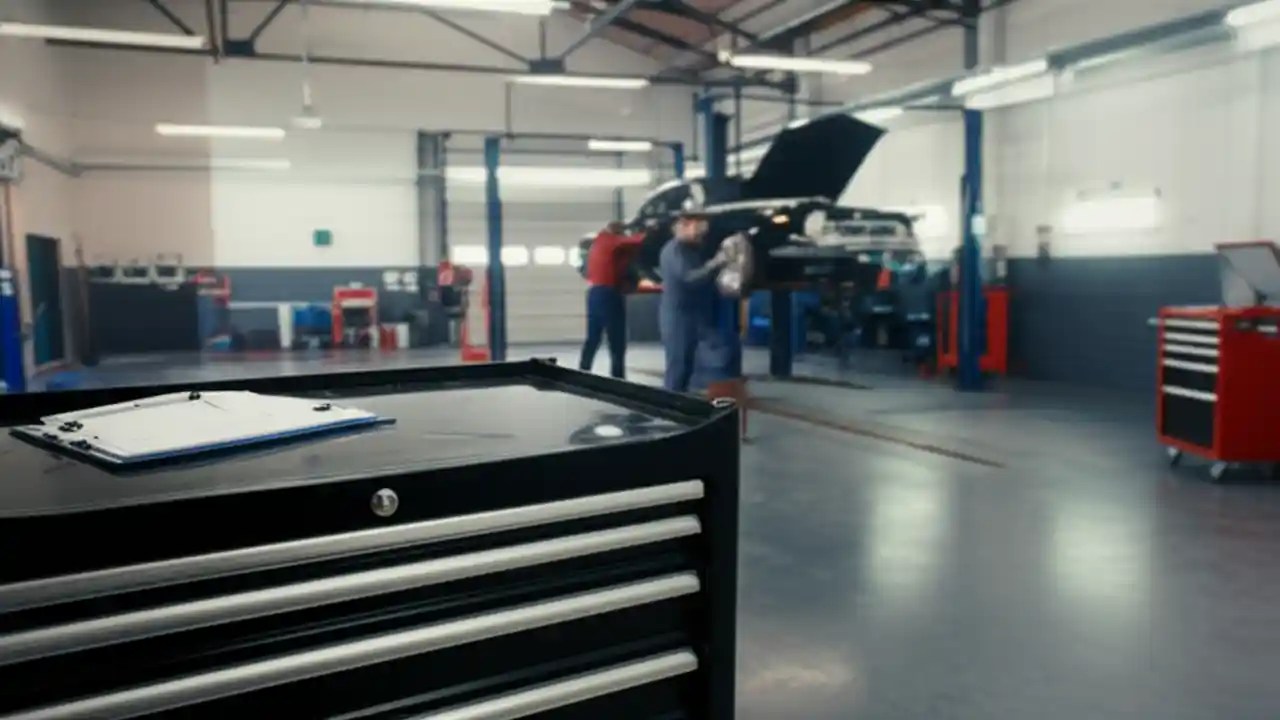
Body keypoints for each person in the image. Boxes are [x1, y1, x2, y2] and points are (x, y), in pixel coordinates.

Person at [579, 221, 643, 379]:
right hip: (608, 294)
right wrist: (652, 231)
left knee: (593, 337)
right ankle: (618, 377)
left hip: (595, 293)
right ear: (617, 232)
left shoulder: (597, 244)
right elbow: (637, 241)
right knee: (617, 339)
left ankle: (582, 372)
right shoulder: (609, 240)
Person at [660, 213, 716, 393]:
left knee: (686, 364)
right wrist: (715, 264)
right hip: (677, 316)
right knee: (678, 365)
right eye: (696, 227)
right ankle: (669, 406)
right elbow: (688, 277)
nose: (700, 234)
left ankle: (679, 403)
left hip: (688, 314)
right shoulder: (675, 250)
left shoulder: (689, 250)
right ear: (681, 226)